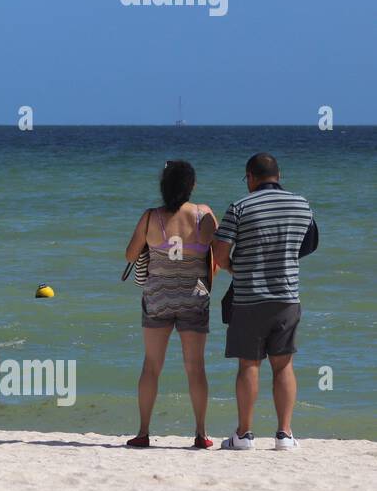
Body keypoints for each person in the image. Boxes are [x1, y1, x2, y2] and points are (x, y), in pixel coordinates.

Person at [212, 153, 318, 451]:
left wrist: (236, 267)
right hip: (287, 296)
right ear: (279, 175)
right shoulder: (302, 204)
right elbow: (307, 246)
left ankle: (244, 435)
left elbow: (220, 255)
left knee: (249, 365)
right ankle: (284, 434)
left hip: (249, 298)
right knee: (283, 366)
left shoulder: (240, 207)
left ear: (250, 177)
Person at [123, 160, 218, 449]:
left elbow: (130, 255)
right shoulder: (204, 215)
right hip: (194, 298)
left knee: (151, 366)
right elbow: (218, 258)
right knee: (196, 367)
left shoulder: (151, 217)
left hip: (157, 298)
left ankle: (143, 432)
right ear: (192, 186)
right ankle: (201, 434)